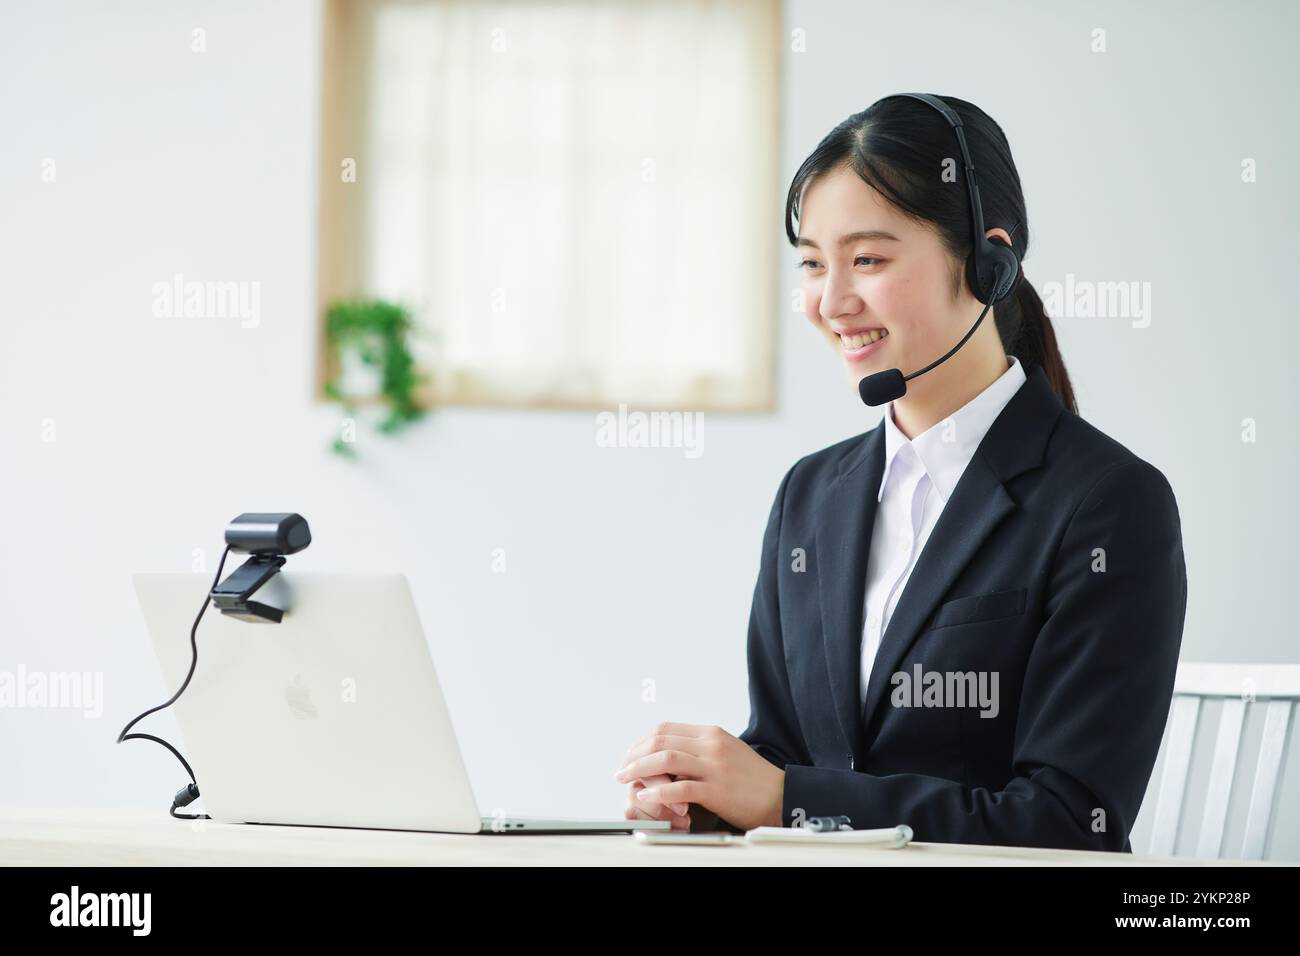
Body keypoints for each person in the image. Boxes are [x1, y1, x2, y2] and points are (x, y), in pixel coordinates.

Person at [615, 94, 1187, 852]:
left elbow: (1065, 822)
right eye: (814, 265)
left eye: (868, 260)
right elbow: (788, 756)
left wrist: (787, 798)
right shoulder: (810, 497)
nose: (830, 301)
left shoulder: (1108, 504)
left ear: (988, 261)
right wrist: (708, 797)